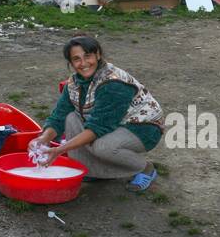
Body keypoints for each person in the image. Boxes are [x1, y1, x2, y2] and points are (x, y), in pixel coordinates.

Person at [32, 36, 162, 190]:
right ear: (71, 63)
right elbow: (59, 115)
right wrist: (43, 138)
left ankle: (144, 168)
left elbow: (98, 127)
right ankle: (94, 170)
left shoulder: (113, 83)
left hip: (142, 127)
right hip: (114, 123)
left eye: (88, 56)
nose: (84, 63)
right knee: (70, 118)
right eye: (76, 59)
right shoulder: (74, 82)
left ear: (98, 55)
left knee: (103, 147)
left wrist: (60, 149)